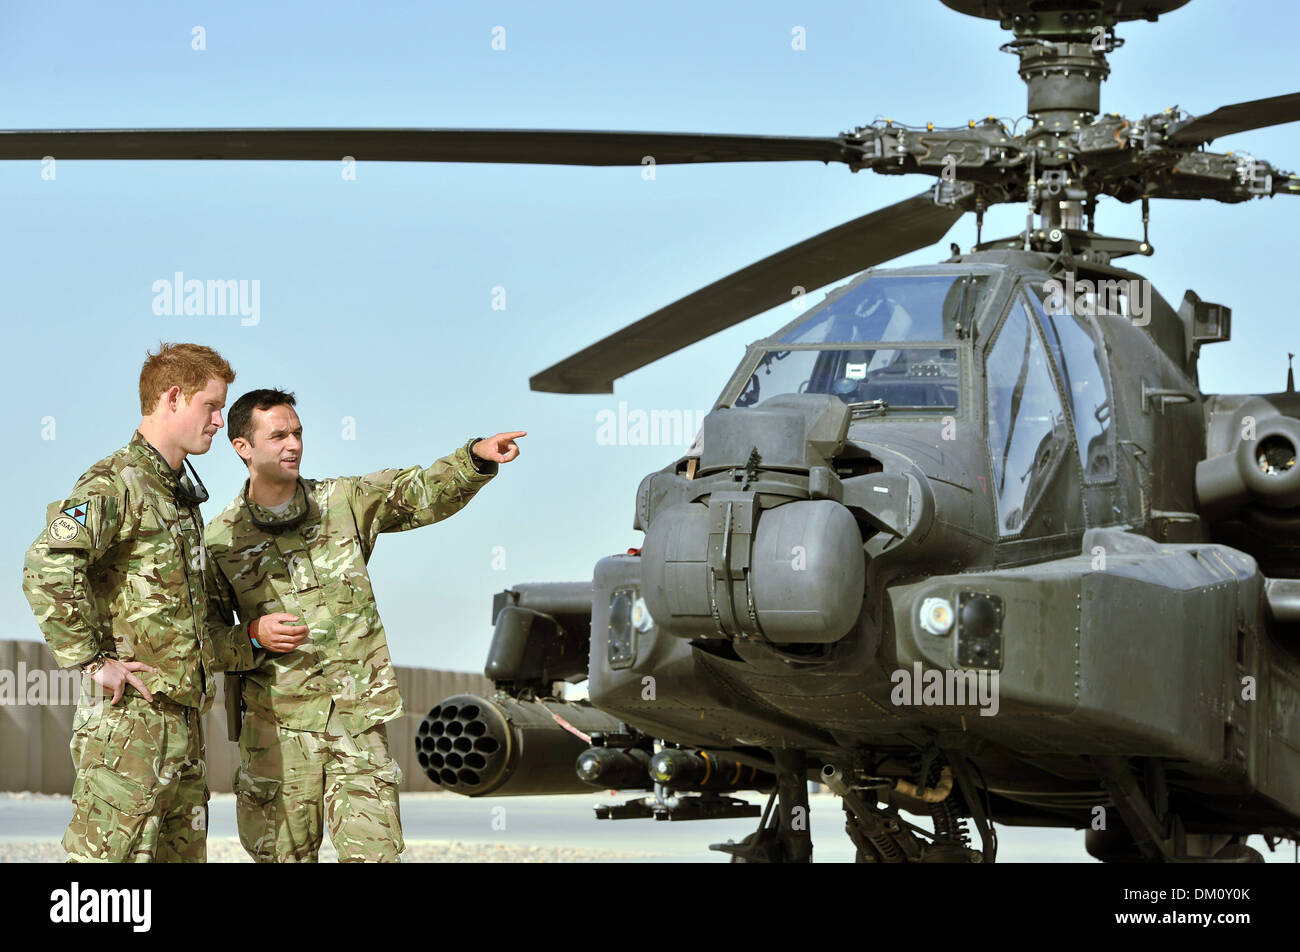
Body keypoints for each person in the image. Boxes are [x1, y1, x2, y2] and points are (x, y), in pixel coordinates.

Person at [205, 388, 523, 862]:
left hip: (358, 724)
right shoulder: (220, 540)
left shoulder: (343, 501)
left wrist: (473, 459)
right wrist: (253, 636)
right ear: (243, 447)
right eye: (278, 436)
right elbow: (203, 640)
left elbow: (415, 492)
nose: (293, 444)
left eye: (297, 433)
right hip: (278, 736)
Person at [21, 342, 307, 863]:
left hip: (183, 725)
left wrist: (250, 639)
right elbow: (46, 566)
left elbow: (191, 626)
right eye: (211, 406)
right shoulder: (116, 483)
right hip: (130, 726)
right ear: (173, 398)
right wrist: (90, 661)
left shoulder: (178, 496)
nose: (220, 421)